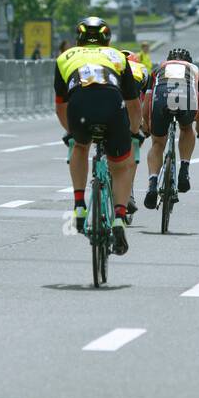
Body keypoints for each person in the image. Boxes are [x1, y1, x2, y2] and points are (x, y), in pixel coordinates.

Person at [55, 17, 143, 255]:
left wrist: (72, 133)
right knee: (121, 166)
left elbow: (61, 106)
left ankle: (79, 205)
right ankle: (119, 217)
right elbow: (134, 105)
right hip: (112, 105)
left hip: (79, 107)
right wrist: (134, 133)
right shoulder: (118, 57)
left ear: (78, 38)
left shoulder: (65, 57)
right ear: (107, 39)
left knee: (80, 148)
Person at [143, 47, 199, 211]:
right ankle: (184, 170)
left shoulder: (158, 68)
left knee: (157, 144)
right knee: (186, 129)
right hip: (185, 95)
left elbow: (147, 99)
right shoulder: (195, 70)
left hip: (161, 96)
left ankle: (152, 183)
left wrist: (146, 124)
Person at [122, 51, 153, 217]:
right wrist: (142, 125)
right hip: (131, 104)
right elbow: (140, 101)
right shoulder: (141, 69)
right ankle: (129, 191)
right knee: (134, 144)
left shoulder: (108, 65)